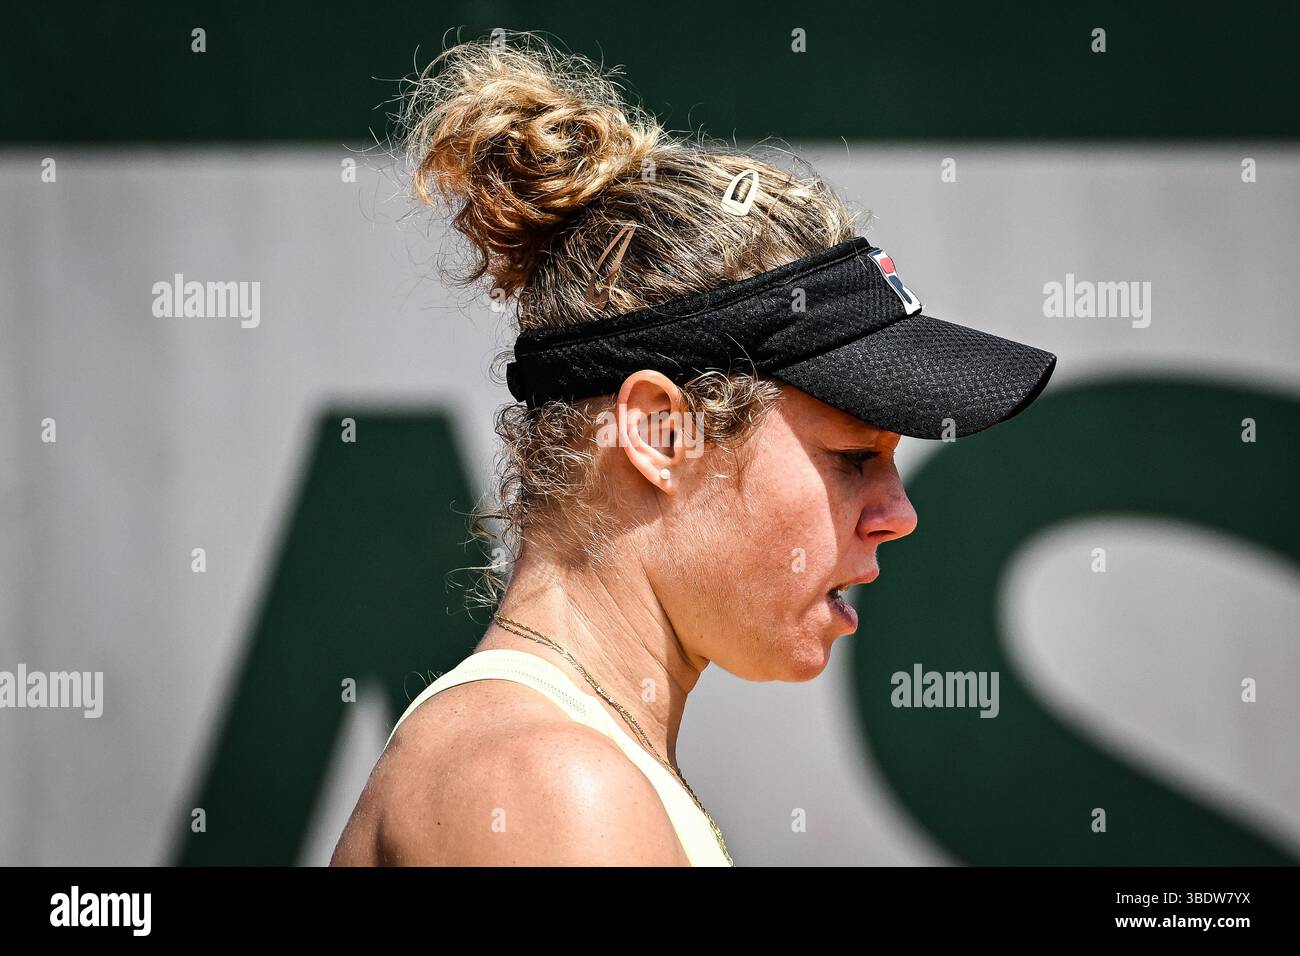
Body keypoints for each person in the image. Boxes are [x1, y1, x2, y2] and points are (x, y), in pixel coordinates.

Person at [330, 30, 1056, 867]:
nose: (899, 514)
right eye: (854, 458)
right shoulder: (551, 786)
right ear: (659, 432)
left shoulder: (564, 758)